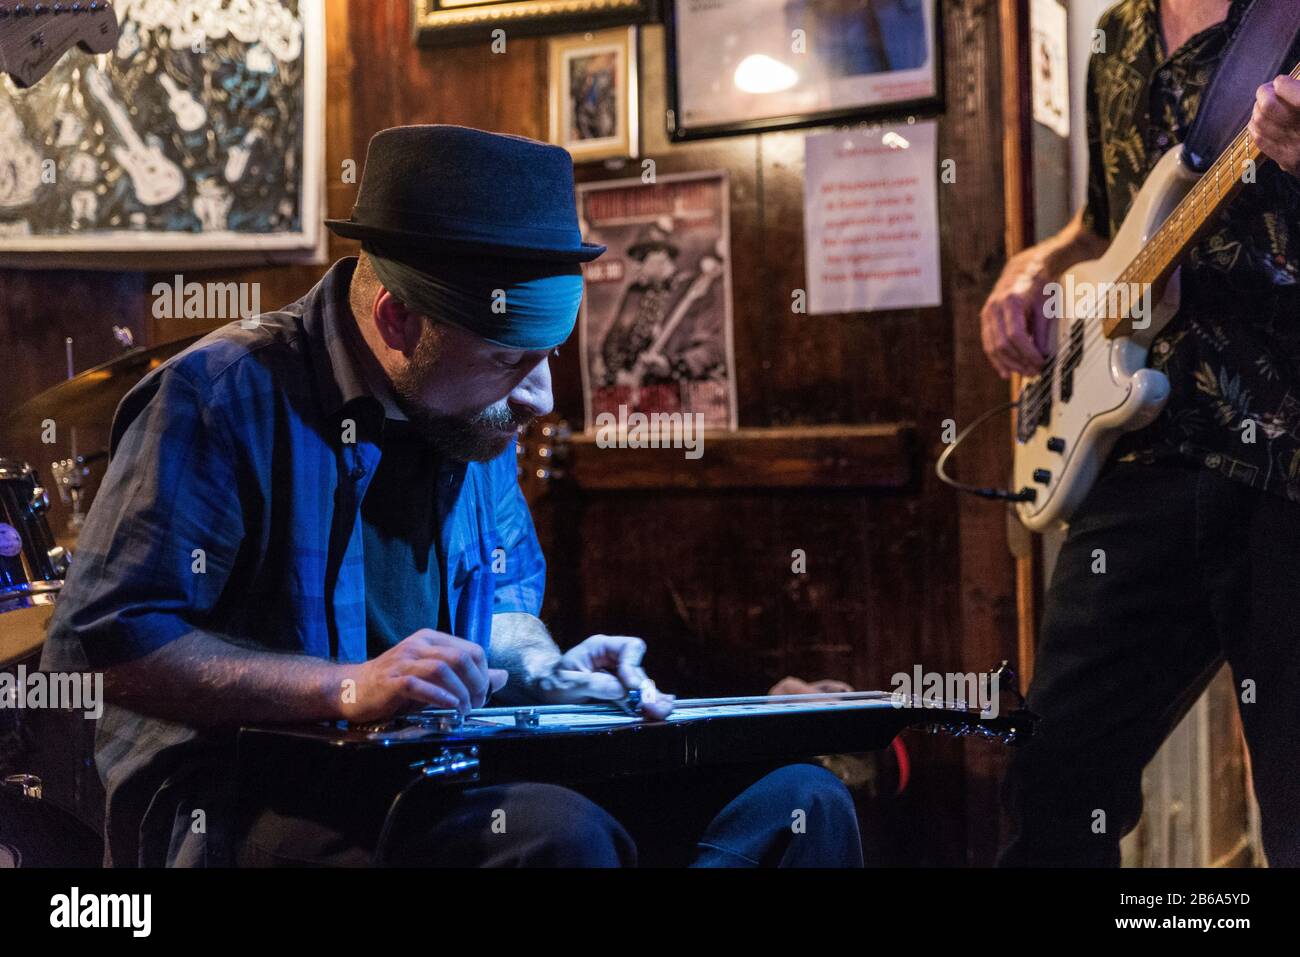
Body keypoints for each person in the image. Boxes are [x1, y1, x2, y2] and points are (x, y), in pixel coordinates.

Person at [41, 124, 862, 868]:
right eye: (512, 361)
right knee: (558, 838)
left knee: (796, 804)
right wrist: (345, 686)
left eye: (550, 358)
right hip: (240, 789)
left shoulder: (472, 413)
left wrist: (552, 671)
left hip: (437, 763)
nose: (539, 397)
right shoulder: (224, 394)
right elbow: (103, 644)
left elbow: (498, 613)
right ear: (397, 321)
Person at [981, 0, 1300, 866]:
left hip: (1283, 462)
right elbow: (1105, 216)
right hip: (1139, 458)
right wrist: (1035, 264)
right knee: (1051, 780)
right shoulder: (1115, 34)